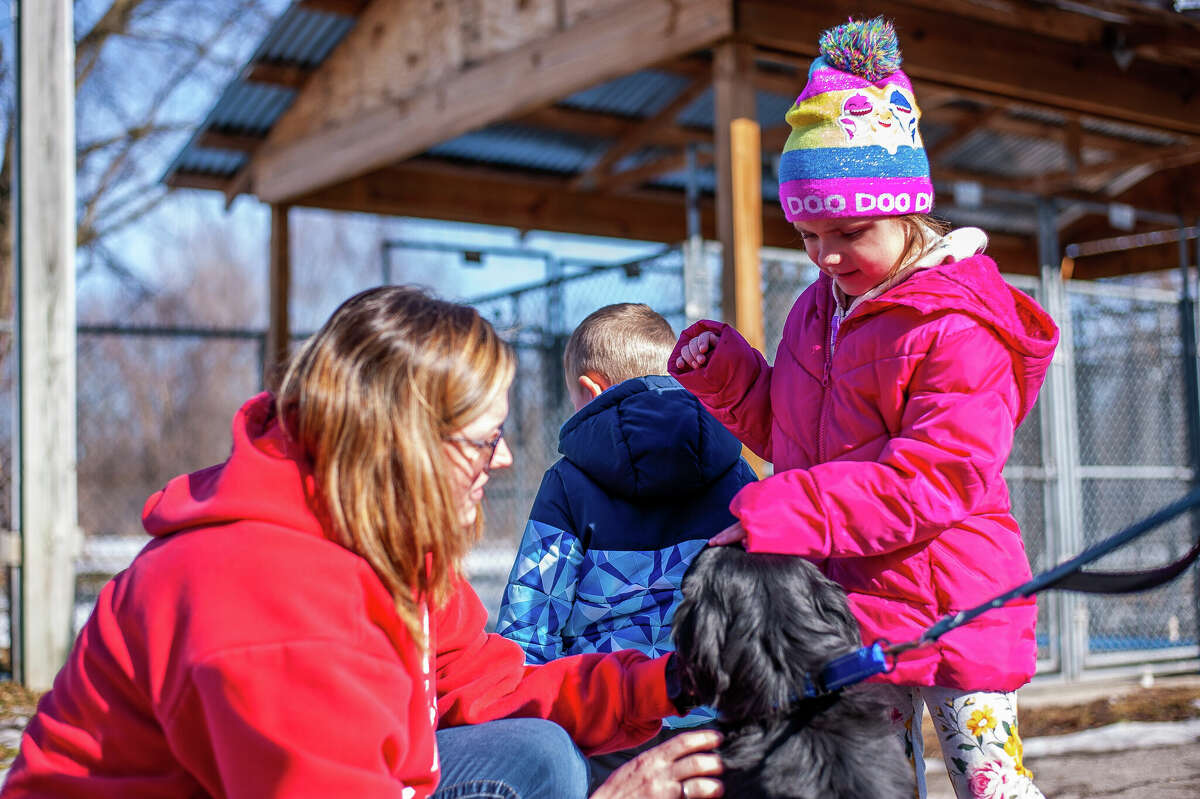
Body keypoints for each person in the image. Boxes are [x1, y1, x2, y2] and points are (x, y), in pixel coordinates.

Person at [1, 286, 724, 799]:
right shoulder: (269, 603)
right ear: (404, 443)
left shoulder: (384, 539)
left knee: (538, 754)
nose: (504, 460)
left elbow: (490, 683)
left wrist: (664, 683)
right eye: (484, 439)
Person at [670, 18, 1057, 799]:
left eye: (849, 231)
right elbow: (794, 437)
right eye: (808, 234)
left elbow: (934, 477)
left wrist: (787, 511)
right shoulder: (818, 309)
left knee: (992, 785)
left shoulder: (957, 324)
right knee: (873, 785)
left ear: (907, 212)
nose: (826, 254)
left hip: (954, 607)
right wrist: (729, 377)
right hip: (855, 610)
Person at [496, 303, 756, 789]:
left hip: (607, 720)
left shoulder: (567, 483)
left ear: (590, 390)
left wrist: (520, 711)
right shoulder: (733, 466)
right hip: (714, 713)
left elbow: (533, 613)